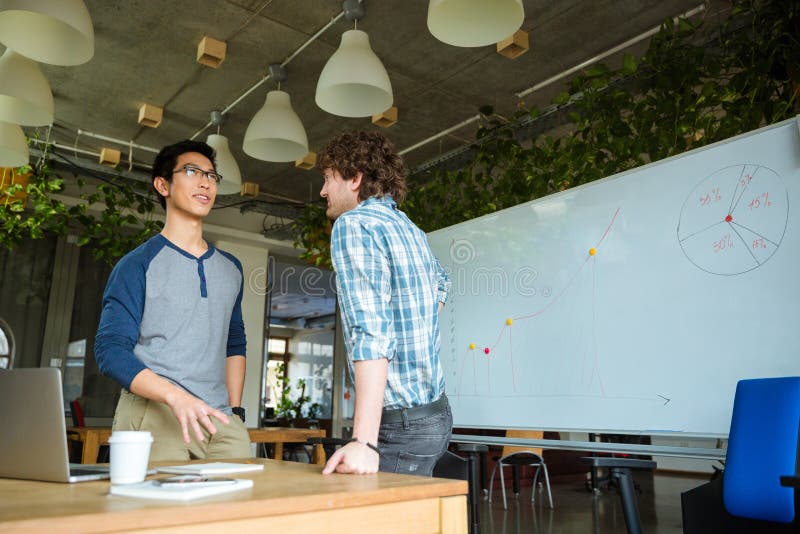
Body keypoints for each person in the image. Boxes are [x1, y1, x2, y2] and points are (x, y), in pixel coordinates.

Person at [95, 140, 251, 461]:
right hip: (155, 412)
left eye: (211, 175)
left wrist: (235, 410)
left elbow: (234, 343)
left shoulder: (231, 269)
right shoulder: (137, 265)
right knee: (156, 511)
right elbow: (110, 351)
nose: (206, 181)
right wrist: (175, 396)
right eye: (192, 172)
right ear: (162, 184)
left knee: (235, 509)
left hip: (218, 419)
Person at [319, 130, 452, 476]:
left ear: (355, 179)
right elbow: (441, 286)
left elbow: (371, 334)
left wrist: (364, 442)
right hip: (435, 416)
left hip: (398, 427)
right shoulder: (409, 228)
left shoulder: (354, 225)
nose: (322, 191)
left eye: (328, 179)